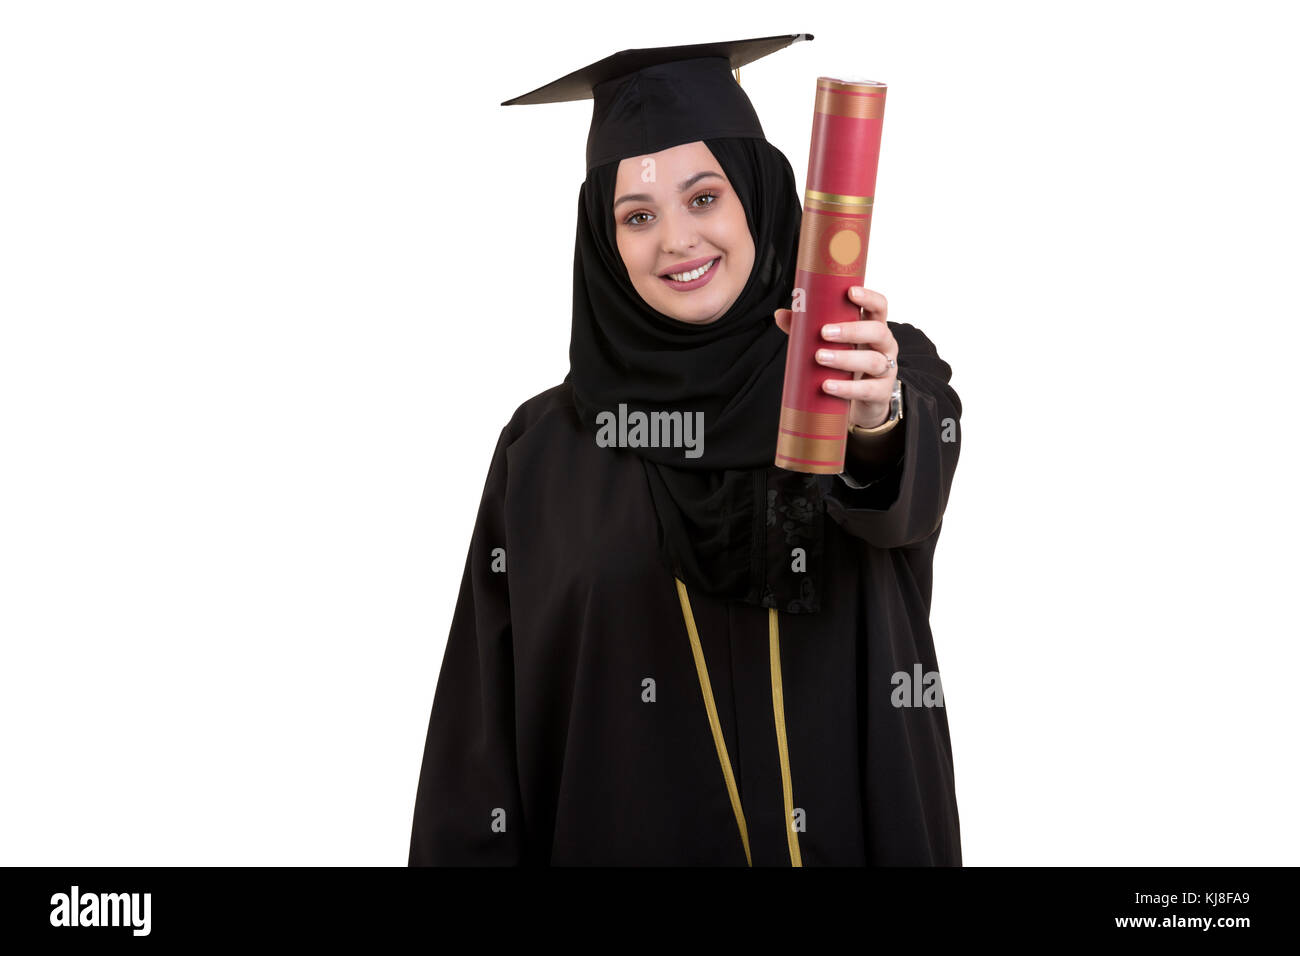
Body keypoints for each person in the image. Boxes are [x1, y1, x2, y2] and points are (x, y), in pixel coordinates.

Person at [408, 34, 962, 866]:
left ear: (756, 198)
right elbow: (483, 731)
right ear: (604, 243)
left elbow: (898, 504)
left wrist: (874, 419)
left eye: (704, 199)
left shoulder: (862, 374)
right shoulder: (545, 453)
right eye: (638, 216)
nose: (676, 240)